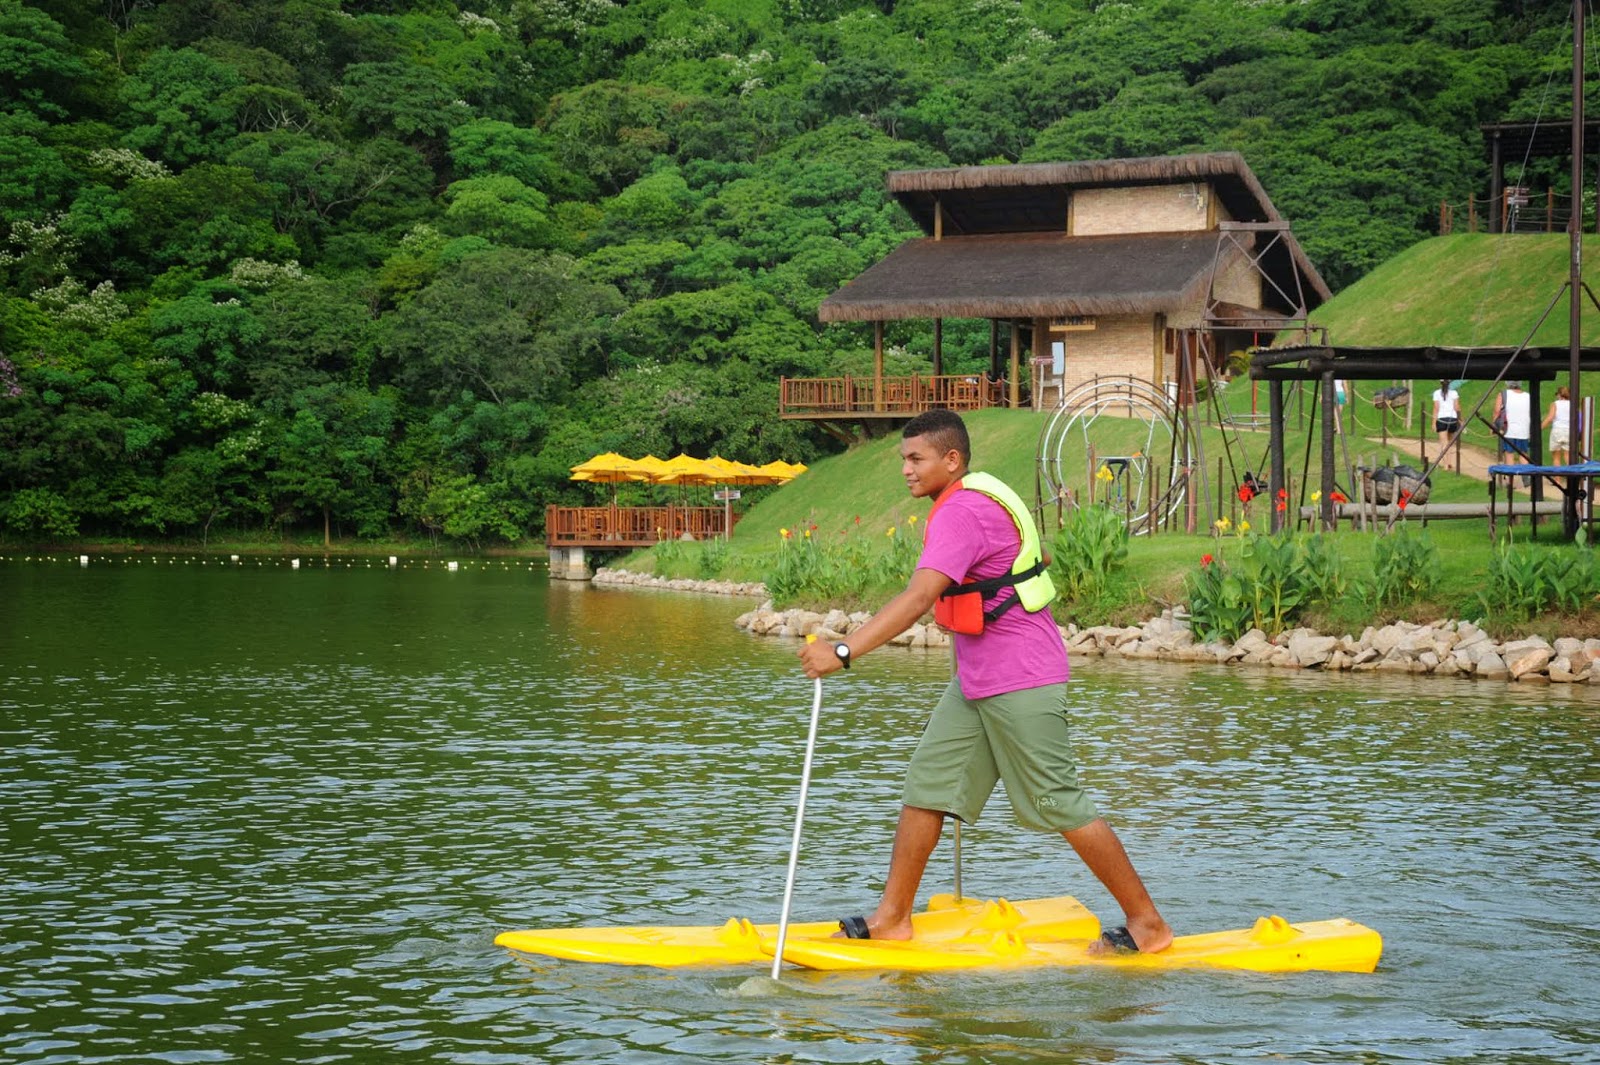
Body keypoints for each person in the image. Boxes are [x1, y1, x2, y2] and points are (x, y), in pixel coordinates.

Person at [797, 410, 1173, 956]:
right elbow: (1035, 556)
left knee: (1058, 800)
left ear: (951, 460)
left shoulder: (961, 511)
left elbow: (920, 597)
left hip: (1021, 677)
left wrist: (843, 650)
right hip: (976, 680)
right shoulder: (980, 495)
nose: (906, 469)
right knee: (927, 786)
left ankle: (1148, 925)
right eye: (903, 458)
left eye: (916, 458)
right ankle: (893, 918)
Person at [1493, 381, 1532, 464]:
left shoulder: (1503, 394)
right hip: (1524, 430)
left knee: (1509, 453)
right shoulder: (1528, 396)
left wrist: (1493, 427)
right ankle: (1526, 472)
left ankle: (1510, 472)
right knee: (1523, 454)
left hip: (1508, 431)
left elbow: (1497, 411)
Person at [1542, 385, 1572, 467]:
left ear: (1559, 394)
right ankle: (1572, 474)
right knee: (1568, 456)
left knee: (1556, 457)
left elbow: (1550, 417)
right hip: (1569, 431)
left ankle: (1557, 475)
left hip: (1557, 430)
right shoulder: (1572, 404)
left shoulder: (1555, 404)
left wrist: (1540, 427)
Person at [1431, 379, 1461, 453]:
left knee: (1444, 443)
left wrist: (1433, 423)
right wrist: (1461, 420)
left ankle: (1445, 461)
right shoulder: (1454, 393)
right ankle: (1449, 460)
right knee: (1449, 444)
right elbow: (1457, 407)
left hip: (1441, 420)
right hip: (1452, 420)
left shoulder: (1436, 393)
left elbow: (1436, 409)